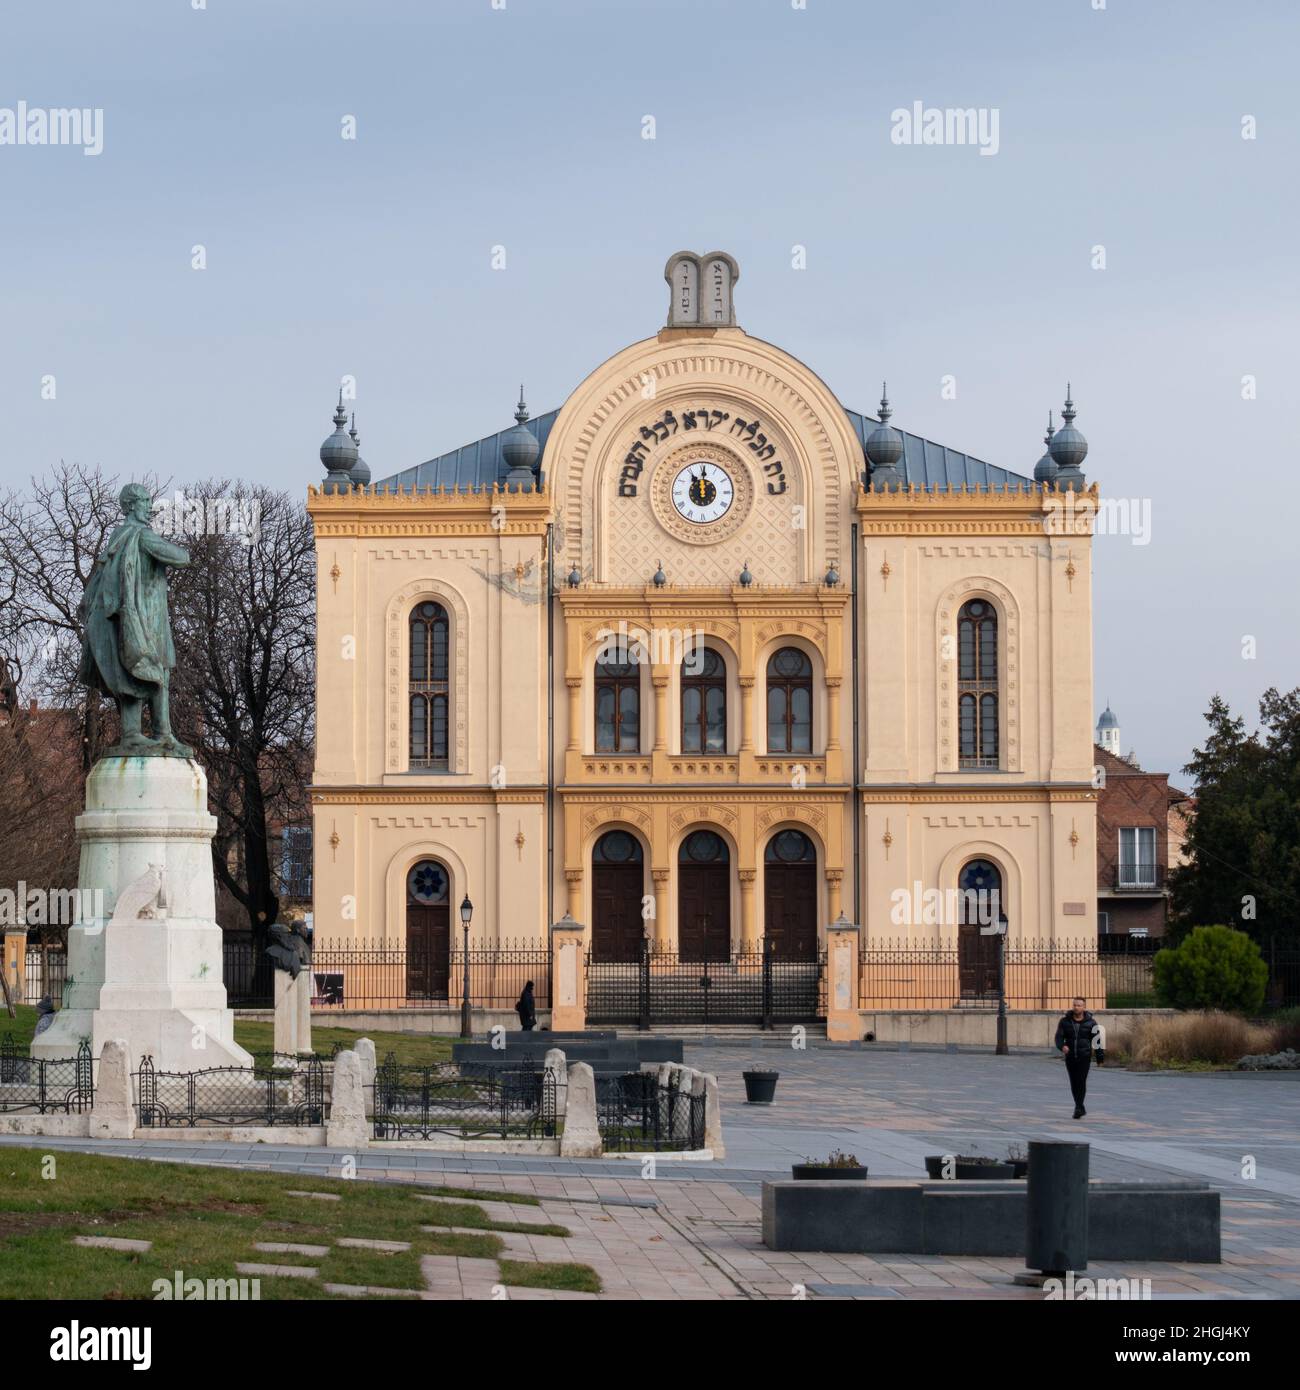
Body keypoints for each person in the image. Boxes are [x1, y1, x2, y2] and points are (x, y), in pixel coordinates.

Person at [1054, 995, 1104, 1118]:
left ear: (1084, 1007)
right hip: (1070, 1057)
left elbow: (1097, 1041)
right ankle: (1080, 1107)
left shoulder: (1092, 1023)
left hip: (1084, 1057)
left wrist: (1100, 1058)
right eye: (1075, 1005)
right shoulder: (1065, 1021)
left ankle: (1078, 1107)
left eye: (1079, 1005)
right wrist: (1062, 1046)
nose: (1076, 1007)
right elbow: (1058, 1037)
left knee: (1081, 1081)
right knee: (1074, 1082)